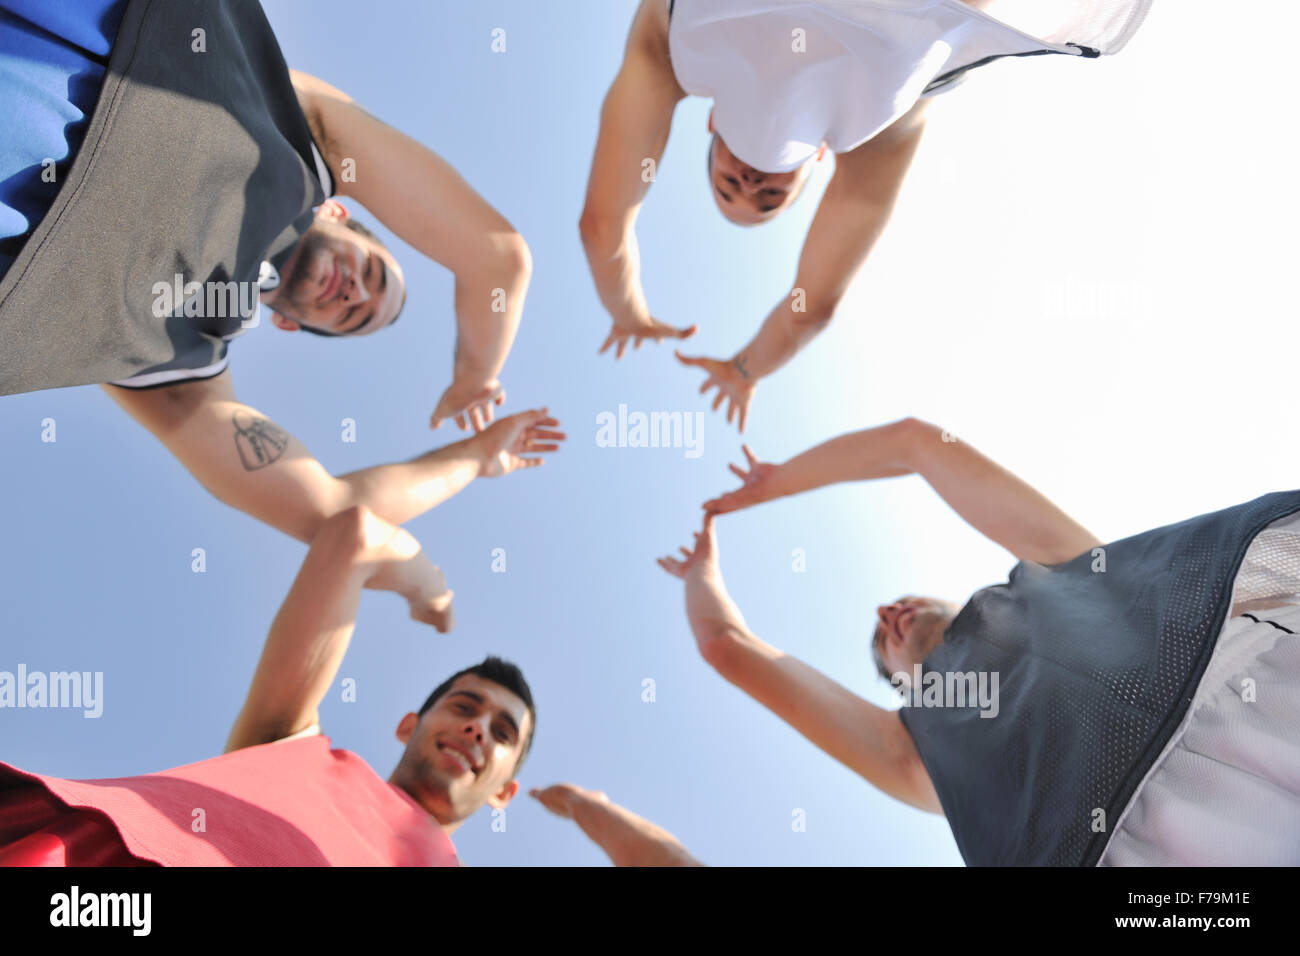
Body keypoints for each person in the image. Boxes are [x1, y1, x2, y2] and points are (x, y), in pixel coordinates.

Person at [0, 0, 546, 542]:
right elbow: (499, 259)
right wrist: (475, 376)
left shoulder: (183, 369)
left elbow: (332, 512)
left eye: (354, 318)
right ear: (338, 212)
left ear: (288, 323)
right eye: (373, 273)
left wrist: (474, 457)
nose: (356, 294)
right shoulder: (305, 138)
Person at [658, 417, 1300, 865]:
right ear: (901, 682)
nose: (888, 612)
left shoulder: (1066, 569)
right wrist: (701, 571)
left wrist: (774, 481)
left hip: (1251, 652)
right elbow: (726, 645)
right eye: (883, 641)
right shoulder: (913, 753)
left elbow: (916, 442)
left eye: (897, 605)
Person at [579, 0, 1151, 431]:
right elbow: (812, 308)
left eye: (729, 184)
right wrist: (745, 370)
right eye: (770, 199)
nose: (750, 185)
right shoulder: (875, 129)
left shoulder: (671, 52)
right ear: (818, 164)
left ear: (709, 126)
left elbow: (603, 230)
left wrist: (628, 313)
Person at [0, 506, 535, 866]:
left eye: (503, 733)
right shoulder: (297, 746)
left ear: (506, 793)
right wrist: (432, 593)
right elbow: (357, 533)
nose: (477, 727)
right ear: (408, 725)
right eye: (466, 704)